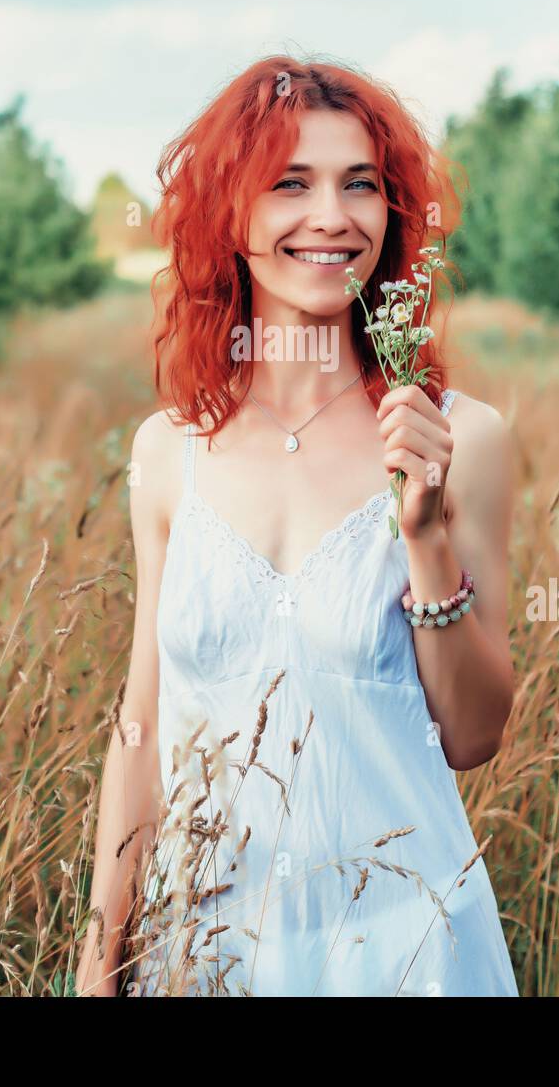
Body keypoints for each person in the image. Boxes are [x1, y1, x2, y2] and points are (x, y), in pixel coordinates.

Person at [76, 55, 518, 996]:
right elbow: (143, 728)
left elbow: (475, 736)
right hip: (203, 949)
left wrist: (426, 531)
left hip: (409, 947)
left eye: (361, 184)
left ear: (392, 214)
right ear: (230, 218)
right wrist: (99, 960)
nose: (332, 215)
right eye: (290, 185)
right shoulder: (169, 453)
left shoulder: (463, 439)